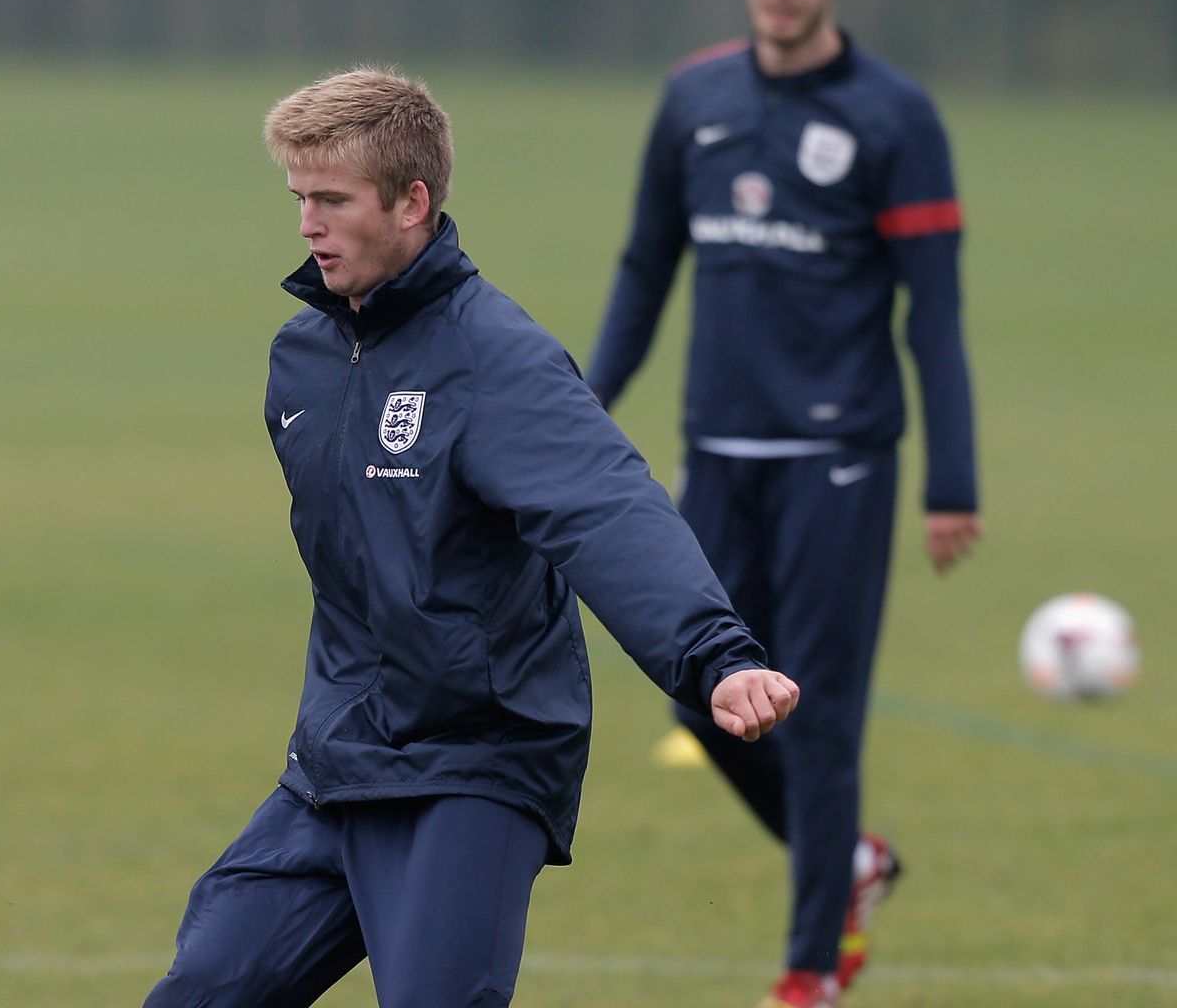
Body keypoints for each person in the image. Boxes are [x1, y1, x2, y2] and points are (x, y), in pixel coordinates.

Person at [141, 68, 800, 1008]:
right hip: (341, 753)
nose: (306, 226)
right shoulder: (305, 360)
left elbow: (608, 510)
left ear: (413, 202)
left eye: (332, 201)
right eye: (298, 199)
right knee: (205, 989)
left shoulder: (496, 360)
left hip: (478, 759)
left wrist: (715, 657)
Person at [587, 0, 980, 1008]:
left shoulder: (892, 117)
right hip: (717, 450)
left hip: (840, 461)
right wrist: (586, 396)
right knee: (694, 697)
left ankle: (809, 970)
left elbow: (934, 316)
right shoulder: (692, 98)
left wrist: (949, 480)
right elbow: (643, 264)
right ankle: (851, 862)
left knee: (816, 719)